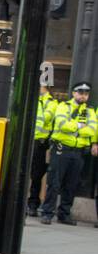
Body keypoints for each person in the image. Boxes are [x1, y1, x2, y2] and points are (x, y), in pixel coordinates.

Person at [39, 81, 96, 226]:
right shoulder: (63, 106)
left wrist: (75, 128)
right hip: (61, 149)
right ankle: (47, 212)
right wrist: (79, 126)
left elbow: (92, 129)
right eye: (81, 93)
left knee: (71, 185)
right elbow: (62, 125)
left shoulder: (89, 111)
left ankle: (64, 214)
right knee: (54, 183)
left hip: (78, 152)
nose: (83, 96)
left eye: (86, 94)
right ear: (74, 93)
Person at [27, 86, 57, 218]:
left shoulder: (51, 103)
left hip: (40, 143)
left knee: (36, 176)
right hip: (27, 140)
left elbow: (45, 118)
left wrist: (38, 103)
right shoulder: (33, 97)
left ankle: (33, 204)